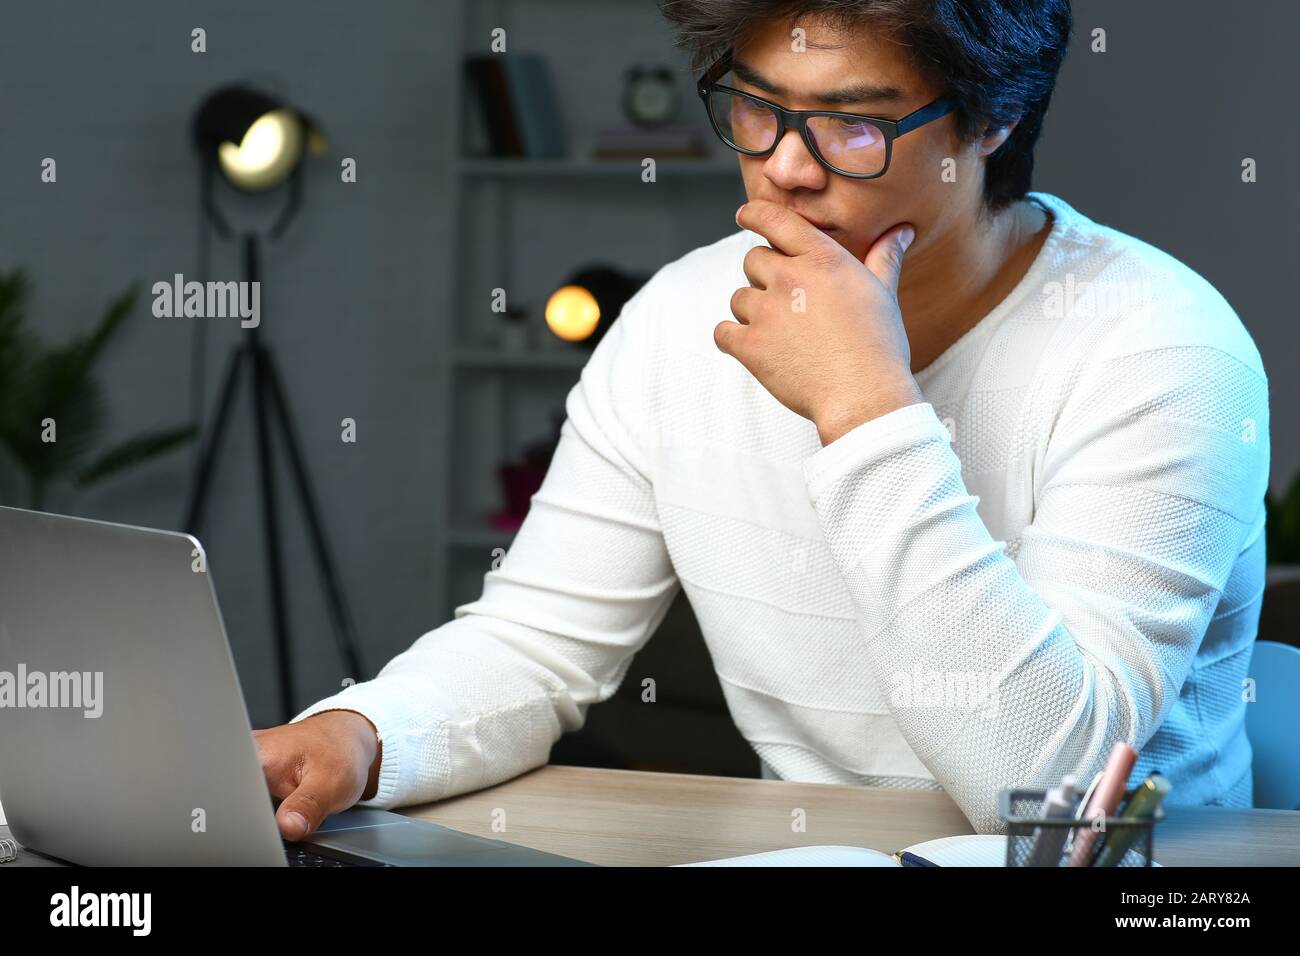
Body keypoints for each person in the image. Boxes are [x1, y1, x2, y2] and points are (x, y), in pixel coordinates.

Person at [256, 0, 1270, 838]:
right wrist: (360, 732)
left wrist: (865, 406)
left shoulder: (1161, 347)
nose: (785, 166)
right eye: (756, 107)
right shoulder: (676, 322)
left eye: (854, 123)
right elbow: (536, 641)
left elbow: (1055, 793)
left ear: (991, 119)